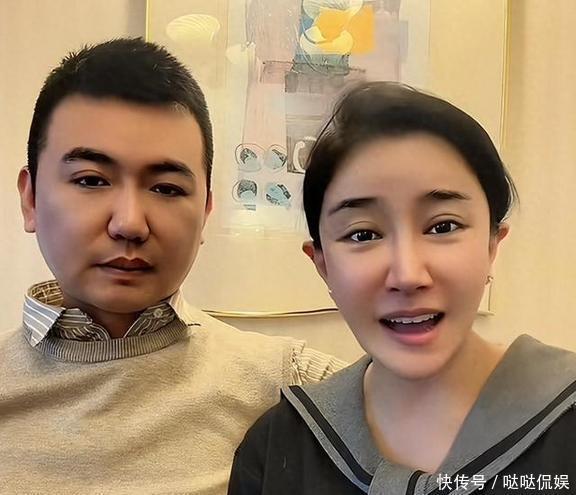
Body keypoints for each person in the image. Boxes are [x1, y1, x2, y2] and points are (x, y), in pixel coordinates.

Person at [0, 38, 345, 494]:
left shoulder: (290, 382)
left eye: (166, 188)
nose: (129, 223)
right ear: (30, 199)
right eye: (91, 180)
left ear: (205, 210)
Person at [228, 82, 576, 494]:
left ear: (491, 244)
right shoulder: (279, 449)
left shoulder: (564, 414)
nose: (408, 275)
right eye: (362, 234)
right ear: (322, 264)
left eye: (443, 226)